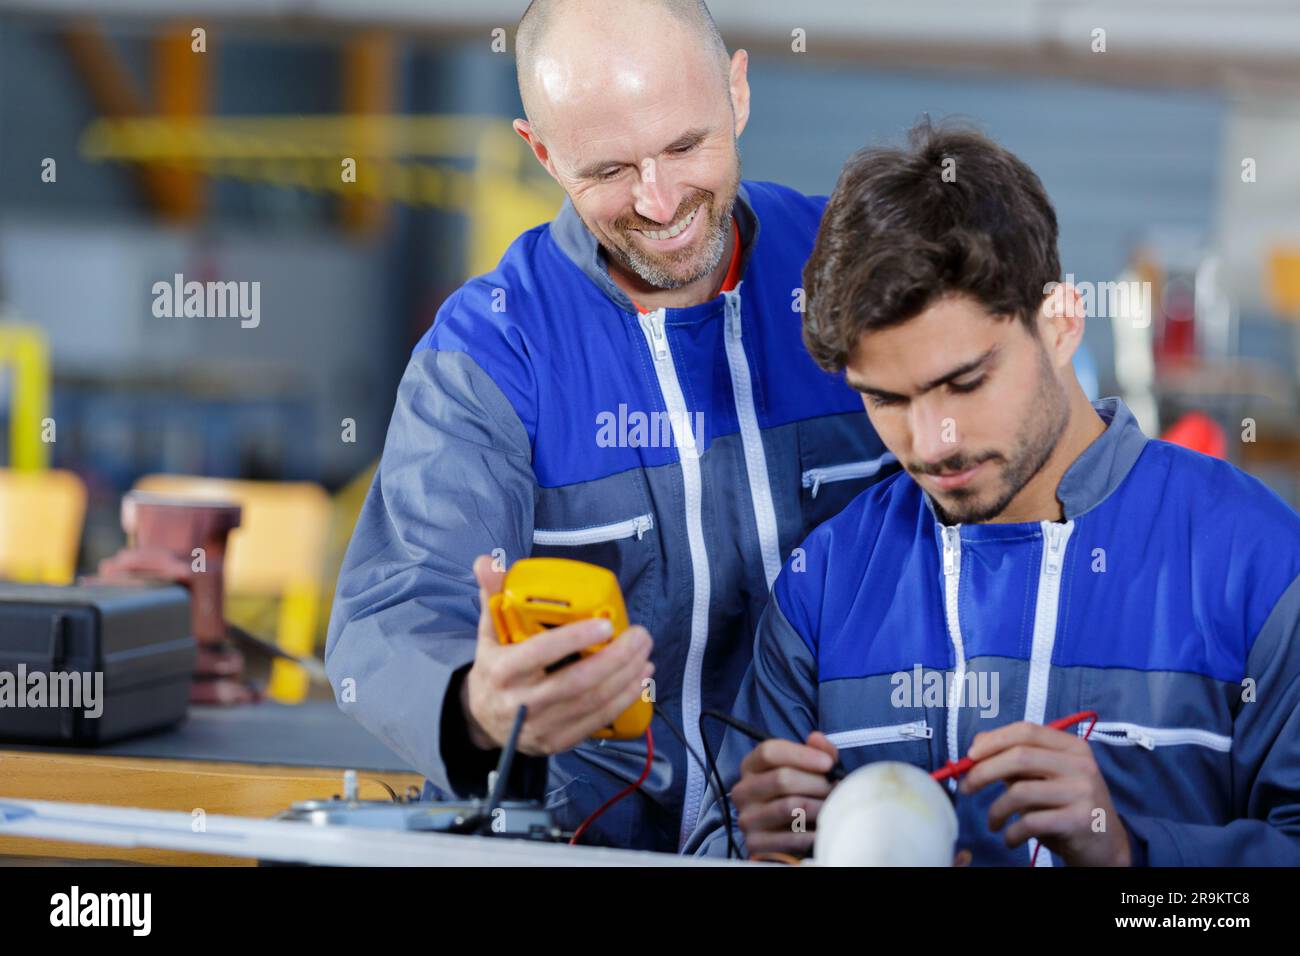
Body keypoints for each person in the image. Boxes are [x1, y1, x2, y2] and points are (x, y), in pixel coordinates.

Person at [325, 0, 894, 852]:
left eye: (684, 146)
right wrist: (474, 704)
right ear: (543, 152)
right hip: (598, 844)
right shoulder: (490, 351)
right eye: (608, 171)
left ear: (737, 92)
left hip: (861, 830)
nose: (659, 201)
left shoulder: (861, 275)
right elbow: (398, 608)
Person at [686, 121, 1300, 865]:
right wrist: (759, 844)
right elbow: (722, 843)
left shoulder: (1262, 568)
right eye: (886, 400)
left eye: (965, 383)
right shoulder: (824, 590)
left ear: (1063, 321)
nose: (932, 440)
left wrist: (1130, 854)